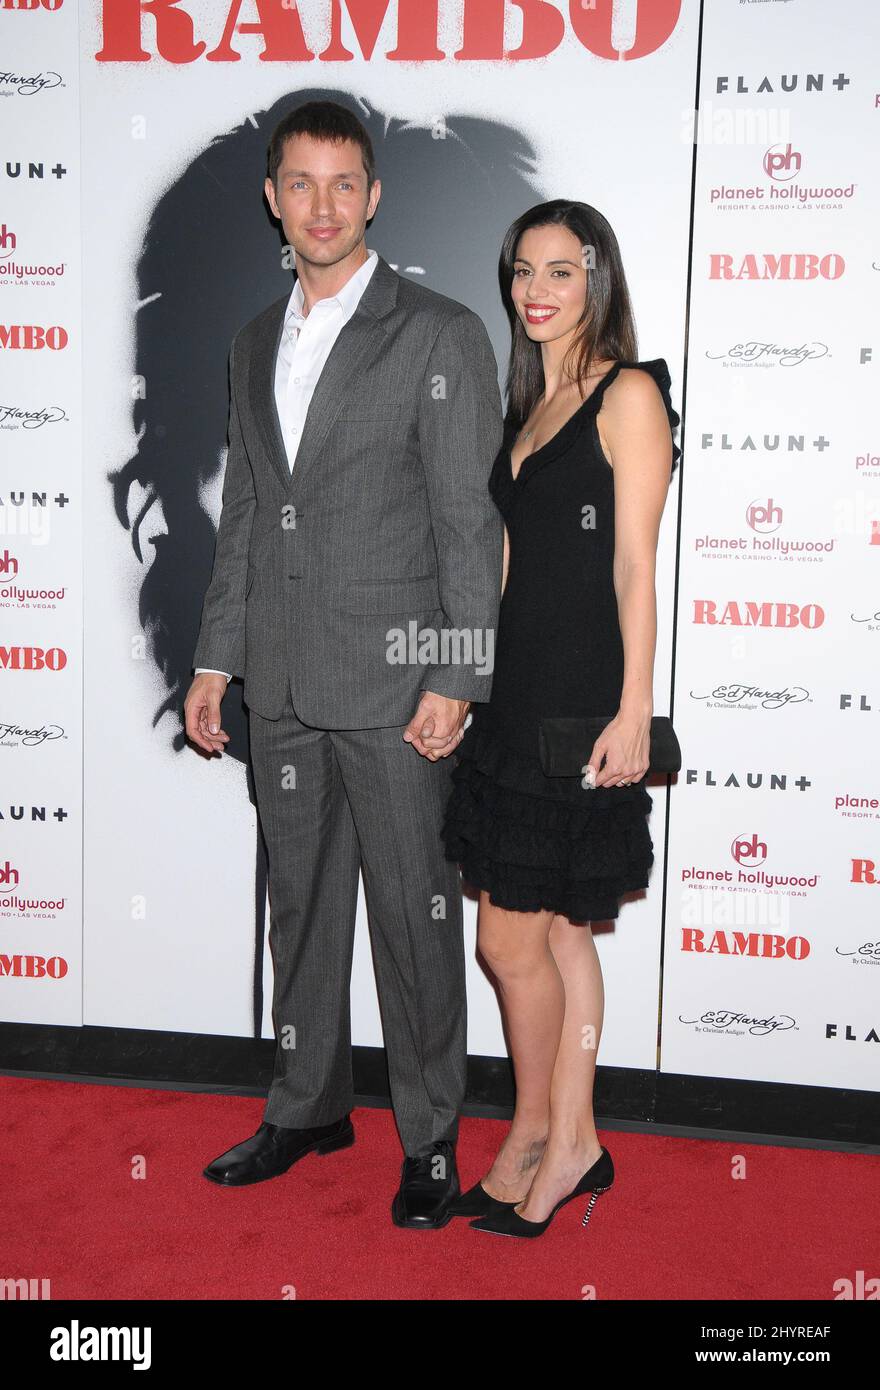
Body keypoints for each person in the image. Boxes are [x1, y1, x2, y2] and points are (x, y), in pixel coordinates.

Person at [184, 100, 503, 1229]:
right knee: (301, 914)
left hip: (399, 681)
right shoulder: (249, 342)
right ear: (273, 197)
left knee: (414, 923)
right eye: (300, 183)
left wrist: (457, 676)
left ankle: (428, 1142)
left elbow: (468, 523)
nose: (322, 205)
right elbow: (247, 521)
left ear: (373, 196)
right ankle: (306, 1100)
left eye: (344, 183)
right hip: (280, 681)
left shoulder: (439, 331)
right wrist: (217, 658)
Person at [440, 199, 681, 1238]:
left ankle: (557, 1131)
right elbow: (504, 567)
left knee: (518, 939)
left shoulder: (629, 395)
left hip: (583, 706)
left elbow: (635, 566)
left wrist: (634, 712)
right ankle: (549, 1133)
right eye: (522, 271)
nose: (535, 291)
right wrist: (458, 680)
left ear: (598, 280)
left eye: (560, 272)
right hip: (516, 702)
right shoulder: (528, 403)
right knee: (546, 940)